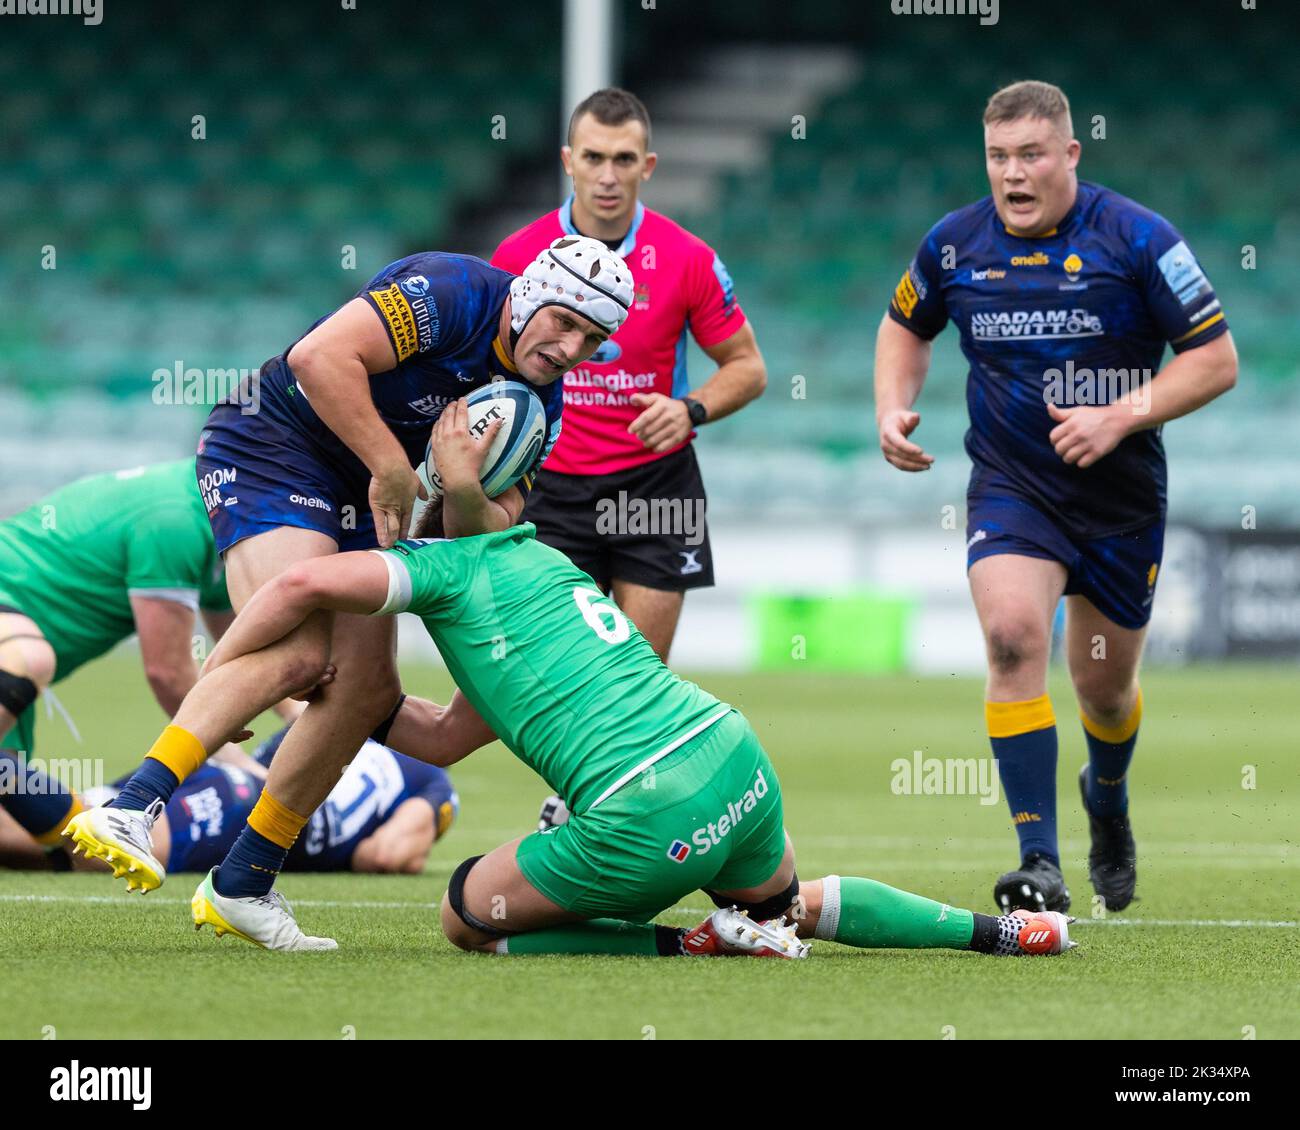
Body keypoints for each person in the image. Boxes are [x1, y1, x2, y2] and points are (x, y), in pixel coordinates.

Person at [78, 482, 1075, 959]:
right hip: (735, 755)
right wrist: (342, 707)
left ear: (498, 492)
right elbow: (441, 731)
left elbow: (301, 578)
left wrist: (241, 671)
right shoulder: (551, 567)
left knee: (467, 915)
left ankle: (692, 947)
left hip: (642, 810)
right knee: (784, 900)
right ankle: (996, 931)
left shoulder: (452, 565)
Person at [67, 238, 633, 912]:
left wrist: (459, 486)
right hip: (274, 444)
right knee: (301, 653)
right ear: (533, 293)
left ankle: (244, 883)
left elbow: (490, 526)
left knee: (363, 693)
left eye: (593, 339)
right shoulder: (451, 291)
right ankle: (133, 807)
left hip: (367, 481)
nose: (572, 349)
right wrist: (396, 467)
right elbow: (318, 359)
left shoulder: (543, 401)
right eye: (565, 323)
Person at [873, 80, 1238, 913]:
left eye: (1032, 155)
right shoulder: (953, 245)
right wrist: (891, 405)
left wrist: (1122, 415)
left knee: (1104, 693)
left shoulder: (1139, 238)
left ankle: (1106, 799)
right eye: (999, 157)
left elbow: (1215, 359)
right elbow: (905, 326)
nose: (1014, 174)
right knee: (1010, 638)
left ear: (1070, 154)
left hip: (1120, 502)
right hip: (1012, 487)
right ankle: (1039, 863)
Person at [492, 88, 766, 661]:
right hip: (549, 489)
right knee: (558, 679)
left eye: (623, 159)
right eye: (593, 158)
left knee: (638, 683)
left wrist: (689, 409)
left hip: (656, 489)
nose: (608, 176)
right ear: (569, 162)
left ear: (648, 166)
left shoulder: (688, 258)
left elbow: (748, 367)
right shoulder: (519, 255)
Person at [0, 460, 257, 850]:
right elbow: (168, 673)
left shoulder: (214, 514)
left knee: (18, 834)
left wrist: (302, 714)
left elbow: (246, 648)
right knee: (28, 659)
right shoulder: (175, 520)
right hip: (14, 647)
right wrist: (243, 768)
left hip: (15, 679)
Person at [1, 728, 457, 880]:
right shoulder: (433, 779)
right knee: (94, 846)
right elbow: (383, 855)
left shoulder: (354, 714)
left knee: (50, 845)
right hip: (251, 807)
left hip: (219, 771)